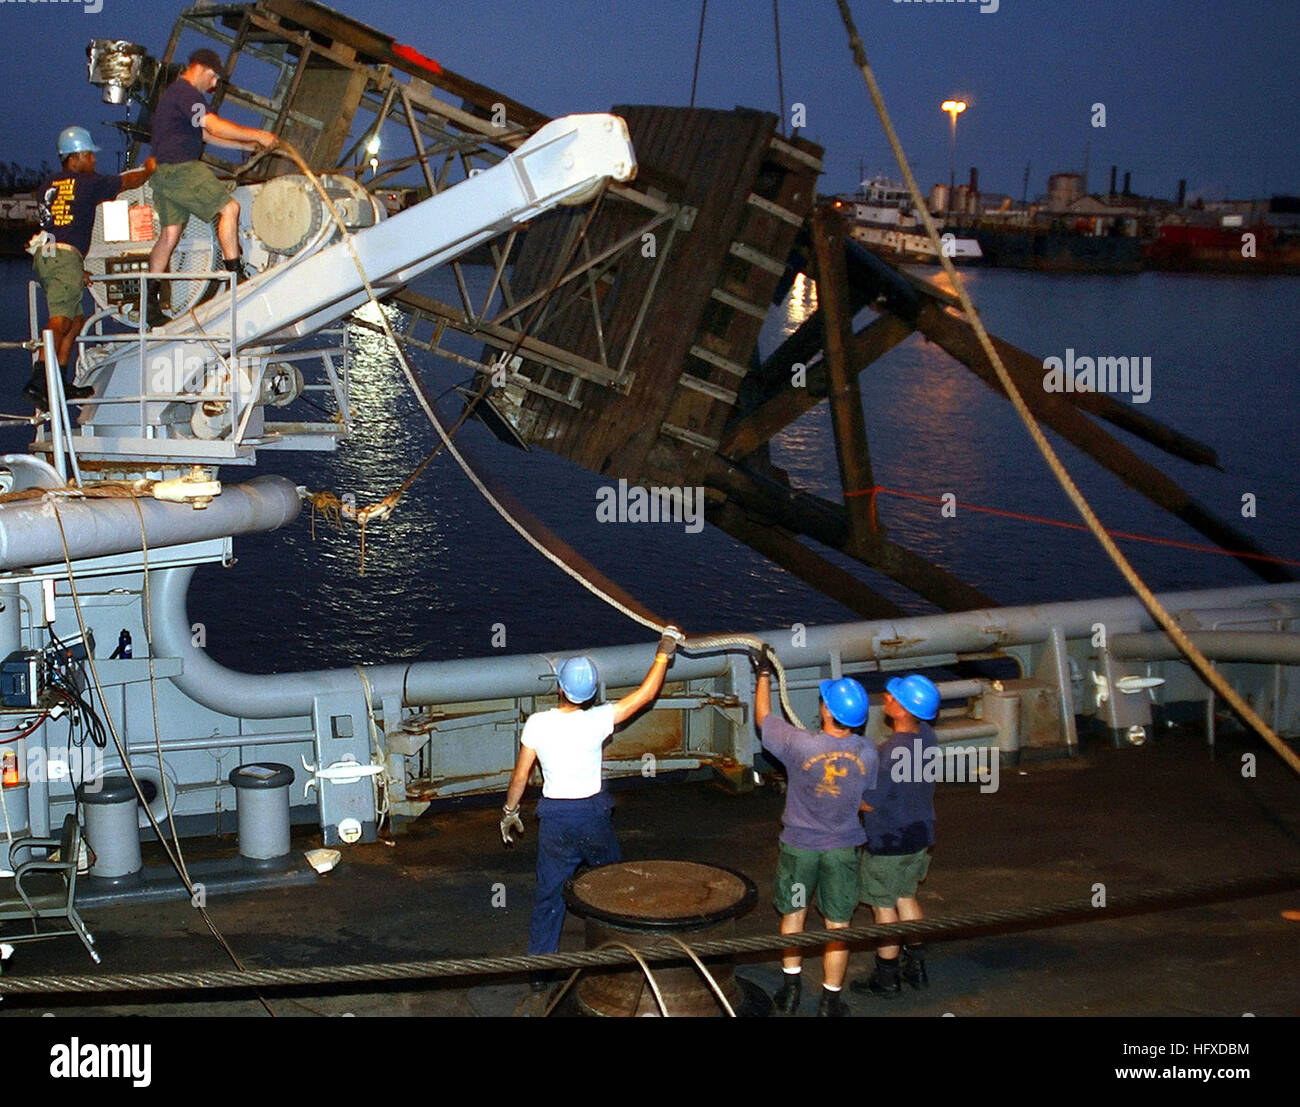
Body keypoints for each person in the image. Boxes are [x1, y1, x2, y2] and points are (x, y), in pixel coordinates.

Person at [500, 626, 683, 970]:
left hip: (554, 820)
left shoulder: (537, 724)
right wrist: (664, 651)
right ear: (590, 693)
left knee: (548, 896)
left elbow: (521, 776)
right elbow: (645, 695)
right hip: (592, 817)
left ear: (560, 688)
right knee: (612, 884)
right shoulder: (599, 720)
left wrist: (510, 811)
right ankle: (620, 954)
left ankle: (540, 968)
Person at [754, 659, 878, 1017]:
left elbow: (763, 718)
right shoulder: (868, 752)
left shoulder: (798, 744)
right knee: (838, 925)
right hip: (842, 851)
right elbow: (867, 801)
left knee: (794, 913)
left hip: (799, 851)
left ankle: (790, 992)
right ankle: (830, 1002)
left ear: (826, 711)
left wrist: (763, 675)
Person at [146, 48, 277, 324]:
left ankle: (149, 304)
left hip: (164, 174)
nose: (214, 85)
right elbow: (213, 124)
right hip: (182, 169)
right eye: (215, 77)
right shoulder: (186, 93)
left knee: (170, 235)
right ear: (203, 69)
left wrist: (245, 144)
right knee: (230, 208)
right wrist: (259, 134)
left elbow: (205, 134)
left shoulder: (175, 96)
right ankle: (235, 276)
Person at [26, 127, 155, 408]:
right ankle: (39, 379)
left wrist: (76, 268)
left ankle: (58, 382)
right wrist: (148, 170)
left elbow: (62, 224)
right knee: (60, 320)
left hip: (49, 257)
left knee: (75, 322)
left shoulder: (47, 185)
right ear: (73, 159)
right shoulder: (86, 183)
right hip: (64, 258)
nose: (93, 161)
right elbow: (126, 183)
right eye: (88, 156)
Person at [851, 673, 940, 999]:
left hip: (889, 841)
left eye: (893, 697)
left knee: (884, 907)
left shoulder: (887, 755)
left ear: (903, 711)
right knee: (906, 896)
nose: (886, 697)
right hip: (920, 834)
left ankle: (886, 979)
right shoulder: (928, 736)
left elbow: (868, 804)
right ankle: (916, 965)